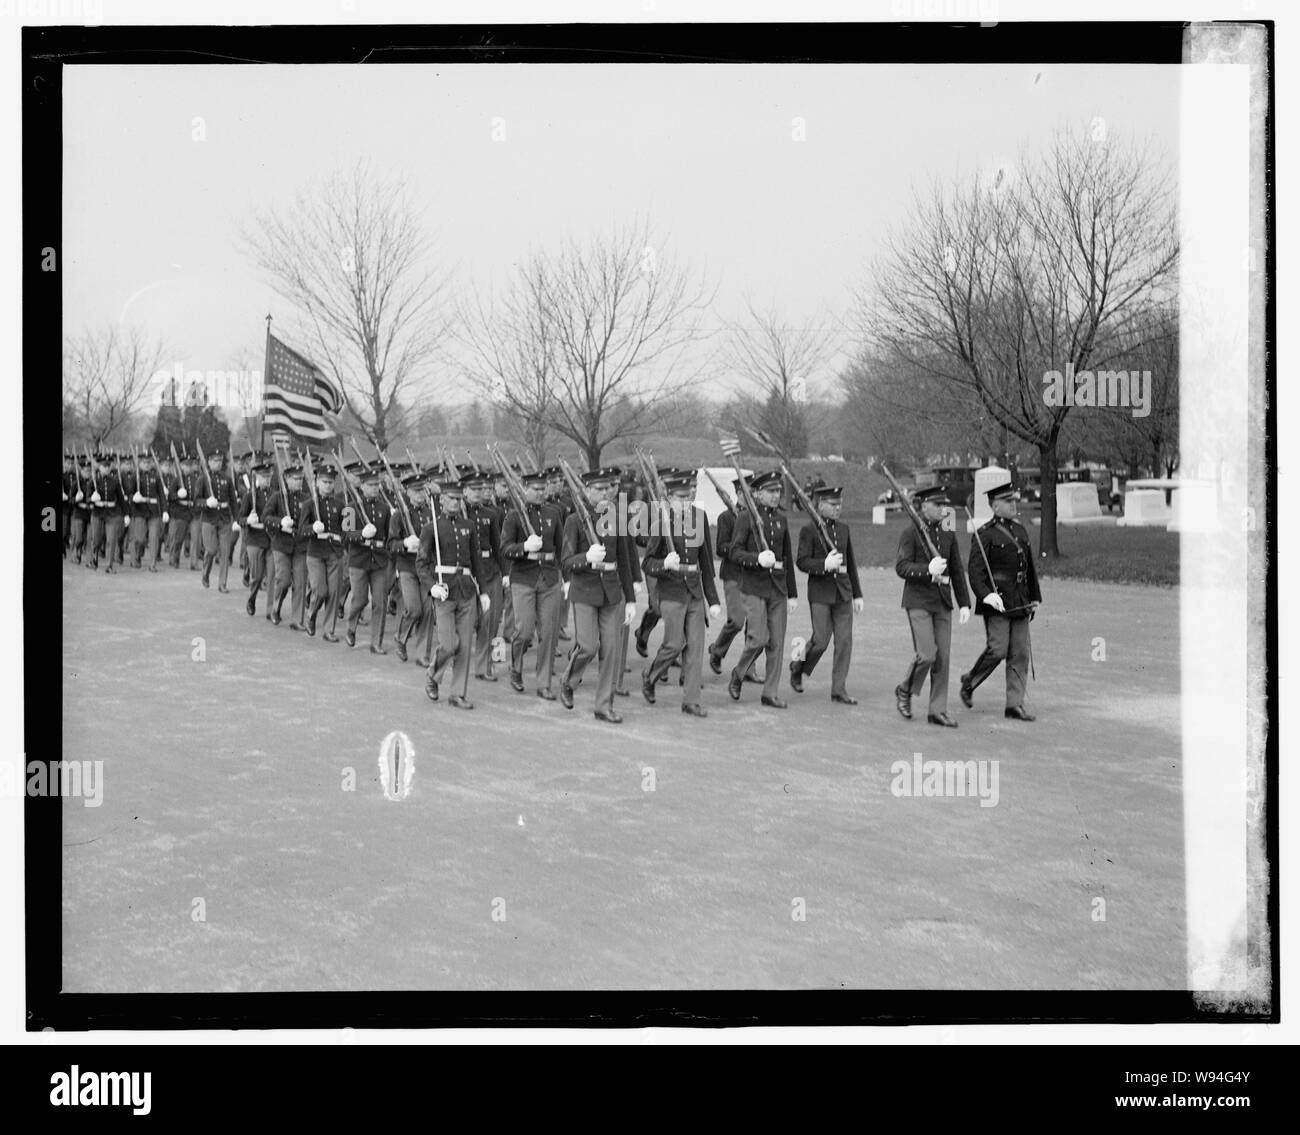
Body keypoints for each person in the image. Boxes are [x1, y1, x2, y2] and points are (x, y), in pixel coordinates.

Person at [558, 467, 638, 723]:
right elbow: (566, 562)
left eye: (608, 488)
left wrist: (631, 600)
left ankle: (604, 705)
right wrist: (586, 558)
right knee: (589, 646)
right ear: (587, 491)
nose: (606, 493)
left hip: (612, 591)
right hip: (584, 590)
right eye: (599, 489)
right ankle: (569, 680)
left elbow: (625, 561)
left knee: (611, 650)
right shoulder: (574, 520)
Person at [640, 469, 721, 717]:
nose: (686, 503)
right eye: (680, 498)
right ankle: (651, 675)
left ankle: (691, 701)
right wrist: (665, 564)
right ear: (670, 499)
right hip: (671, 590)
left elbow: (706, 563)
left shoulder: (700, 518)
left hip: (694, 590)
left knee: (695, 647)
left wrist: (713, 599)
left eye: (689, 498)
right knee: (674, 644)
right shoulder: (661, 523)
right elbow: (647, 563)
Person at [961, 482, 1042, 721]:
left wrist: (1035, 596)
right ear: (995, 506)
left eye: (1014, 500)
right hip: (997, 600)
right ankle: (969, 681)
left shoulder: (1020, 531)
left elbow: (1028, 568)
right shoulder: (985, 534)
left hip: (1020, 598)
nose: (1014, 504)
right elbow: (975, 572)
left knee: (1019, 652)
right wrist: (986, 595)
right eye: (1008, 501)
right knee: (998, 649)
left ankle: (1014, 705)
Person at [892, 486, 971, 726]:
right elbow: (902, 567)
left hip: (942, 601)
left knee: (943, 658)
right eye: (937, 505)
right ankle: (905, 689)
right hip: (918, 600)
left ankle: (937, 710)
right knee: (927, 655)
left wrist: (965, 602)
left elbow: (956, 569)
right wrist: (926, 570)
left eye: (943, 505)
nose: (942, 509)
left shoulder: (947, 534)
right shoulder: (910, 533)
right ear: (923, 506)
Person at [726, 470, 797, 709]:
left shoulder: (781, 520)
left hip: (777, 587)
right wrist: (757, 558)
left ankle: (770, 693)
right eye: (771, 491)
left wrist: (793, 593)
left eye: (778, 491)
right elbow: (734, 552)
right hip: (754, 586)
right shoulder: (746, 518)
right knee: (758, 638)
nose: (776, 495)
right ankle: (739, 672)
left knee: (776, 642)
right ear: (757, 494)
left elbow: (786, 558)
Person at [420, 478, 489, 710]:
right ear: (441, 500)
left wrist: (484, 592)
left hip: (467, 590)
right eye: (451, 498)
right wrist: (431, 586)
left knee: (465, 645)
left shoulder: (469, 526)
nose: (455, 502)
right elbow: (421, 564)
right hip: (444, 591)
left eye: (459, 499)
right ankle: (433, 674)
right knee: (449, 645)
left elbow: (477, 561)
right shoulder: (432, 528)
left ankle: (457, 693)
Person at [791, 485, 864, 704]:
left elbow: (850, 562)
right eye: (833, 505)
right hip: (820, 591)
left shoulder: (843, 529)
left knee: (844, 642)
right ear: (820, 505)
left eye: (839, 504)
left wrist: (858, 594)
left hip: (843, 591)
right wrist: (824, 564)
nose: (837, 508)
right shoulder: (809, 530)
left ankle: (839, 689)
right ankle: (799, 665)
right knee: (820, 640)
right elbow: (802, 562)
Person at [499, 469, 564, 699]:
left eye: (542, 489)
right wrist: (524, 548)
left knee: (548, 632)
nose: (540, 493)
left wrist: (564, 578)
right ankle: (515, 668)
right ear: (524, 489)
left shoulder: (554, 513)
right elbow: (505, 549)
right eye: (535, 489)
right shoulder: (514, 516)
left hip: (549, 577)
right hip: (524, 578)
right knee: (524, 631)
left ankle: (543, 682)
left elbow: (560, 549)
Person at [707, 478, 762, 685]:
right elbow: (721, 548)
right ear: (738, 494)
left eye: (753, 493)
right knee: (738, 620)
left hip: (754, 576)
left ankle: (748, 668)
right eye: (745, 493)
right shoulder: (726, 518)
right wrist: (740, 551)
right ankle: (718, 650)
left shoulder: (757, 518)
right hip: (733, 575)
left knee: (754, 627)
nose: (749, 497)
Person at [343, 469, 394, 654]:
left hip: (379, 560)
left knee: (380, 602)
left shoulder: (385, 508)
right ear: (362, 486)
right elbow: (345, 535)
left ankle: (376, 642)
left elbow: (389, 536)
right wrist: (361, 535)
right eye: (370, 485)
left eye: (376, 485)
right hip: (358, 559)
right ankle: (351, 627)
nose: (374, 488)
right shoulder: (351, 507)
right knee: (360, 599)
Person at [465, 472, 505, 681]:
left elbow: (498, 546)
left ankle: (484, 666)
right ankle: (458, 658)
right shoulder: (460, 514)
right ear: (464, 491)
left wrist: (505, 573)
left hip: (490, 570)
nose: (479, 493)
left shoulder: (491, 515)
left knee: (491, 620)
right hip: (468, 573)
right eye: (474, 489)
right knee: (467, 620)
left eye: (481, 489)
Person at [391, 472, 436, 663]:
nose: (420, 495)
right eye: (416, 491)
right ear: (407, 492)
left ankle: (422, 655)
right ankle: (401, 638)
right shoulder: (399, 515)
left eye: (422, 491)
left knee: (428, 611)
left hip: (426, 568)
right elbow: (391, 544)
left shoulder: (432, 513)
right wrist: (404, 544)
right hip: (407, 567)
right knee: (413, 608)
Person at [303, 464, 347, 641]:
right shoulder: (309, 504)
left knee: (334, 593)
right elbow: (301, 530)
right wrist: (313, 528)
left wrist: (343, 539)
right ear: (317, 482)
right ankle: (311, 615)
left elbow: (348, 530)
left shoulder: (341, 504)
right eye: (324, 481)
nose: (328, 485)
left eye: (331, 482)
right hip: (315, 553)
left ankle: (329, 630)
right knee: (320, 591)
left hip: (335, 553)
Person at [264, 464, 310, 628]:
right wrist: (280, 522)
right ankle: (275, 609)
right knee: (283, 581)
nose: (299, 482)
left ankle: (297, 620)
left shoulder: (306, 498)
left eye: (301, 478)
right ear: (287, 479)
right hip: (281, 544)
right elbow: (266, 518)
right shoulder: (277, 497)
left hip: (300, 546)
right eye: (295, 479)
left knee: (300, 582)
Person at [198, 450, 240, 592]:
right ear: (209, 462)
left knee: (225, 551)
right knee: (211, 549)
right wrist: (206, 502)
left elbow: (233, 501)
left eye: (220, 461)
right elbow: (196, 501)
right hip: (209, 518)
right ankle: (205, 572)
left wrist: (236, 519)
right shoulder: (203, 478)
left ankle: (222, 583)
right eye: (215, 461)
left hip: (224, 518)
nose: (218, 463)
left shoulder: (227, 479)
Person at [238, 462, 275, 617]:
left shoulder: (276, 495)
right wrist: (248, 520)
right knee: (258, 576)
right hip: (254, 539)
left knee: (272, 576)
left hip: (272, 539)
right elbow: (239, 518)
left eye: (268, 477)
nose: (266, 480)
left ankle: (270, 610)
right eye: (263, 477)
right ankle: (252, 598)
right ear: (257, 478)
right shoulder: (249, 495)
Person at [85, 454, 124, 573]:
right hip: (97, 513)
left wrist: (126, 514)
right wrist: (92, 498)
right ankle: (93, 559)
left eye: (108, 466)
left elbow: (121, 499)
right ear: (99, 467)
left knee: (111, 539)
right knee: (96, 539)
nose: (106, 468)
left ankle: (109, 565)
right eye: (104, 466)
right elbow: (87, 499)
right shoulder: (94, 481)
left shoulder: (115, 481)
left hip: (111, 514)